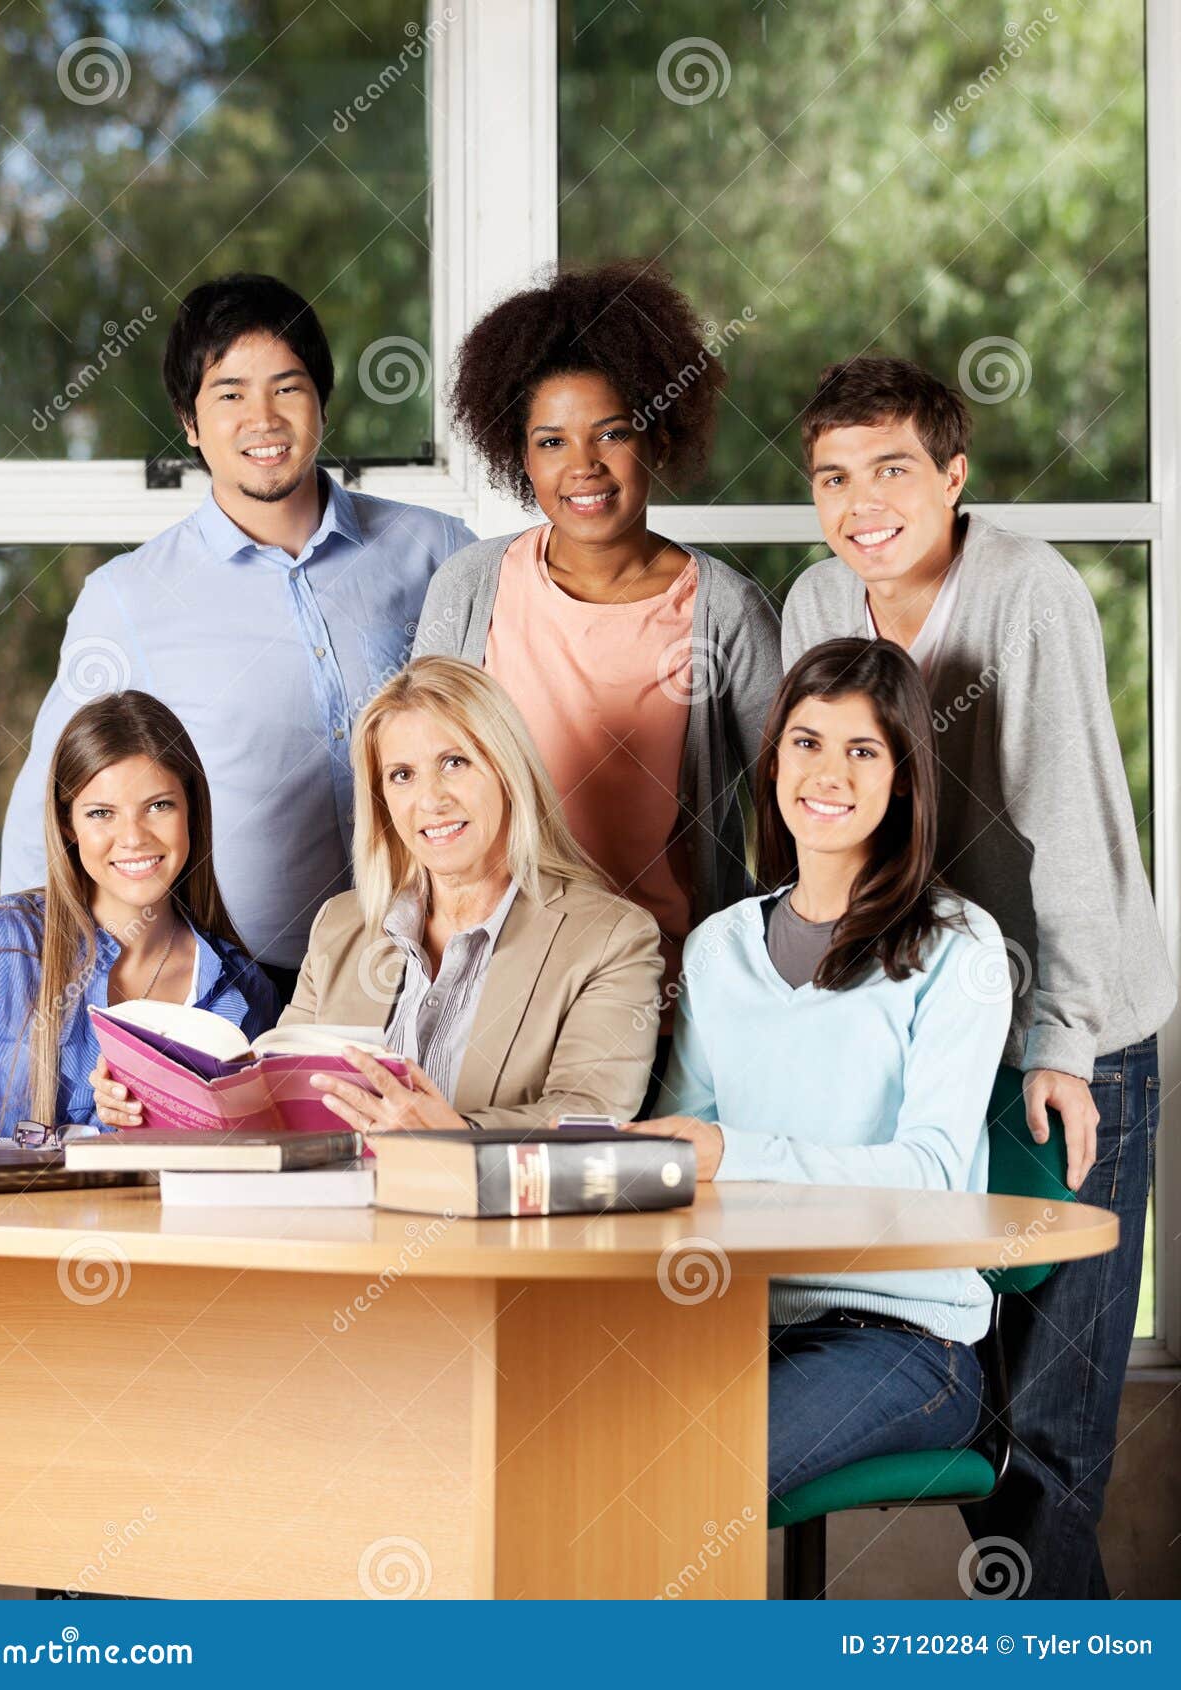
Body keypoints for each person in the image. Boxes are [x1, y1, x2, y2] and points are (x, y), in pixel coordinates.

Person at [779, 356, 1175, 1595]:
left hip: (1076, 1030)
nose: (863, 502)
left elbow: (1068, 827)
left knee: (1048, 1439)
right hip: (931, 1038)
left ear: (955, 474)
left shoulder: (1027, 594)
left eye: (893, 469)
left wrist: (1061, 1043)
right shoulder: (813, 605)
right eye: (833, 477)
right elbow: (828, 828)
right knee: (963, 1395)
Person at [0, 273, 476, 1004]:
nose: (264, 418)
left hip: (442, 959)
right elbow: (49, 810)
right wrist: (37, 1000)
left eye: (287, 388)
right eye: (229, 394)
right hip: (245, 984)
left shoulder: (435, 550)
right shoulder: (127, 597)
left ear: (322, 400)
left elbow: (512, 743)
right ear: (190, 423)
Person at [634, 639, 1012, 1499]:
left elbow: (932, 1176)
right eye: (806, 743)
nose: (827, 773)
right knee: (559, 1443)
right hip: (729, 1316)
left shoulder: (959, 947)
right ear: (773, 763)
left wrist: (734, 1153)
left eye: (863, 750)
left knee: (679, 1472)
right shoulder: (720, 948)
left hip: (905, 1339)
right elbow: (676, 1164)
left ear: (905, 778)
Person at [412, 261, 781, 1087]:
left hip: (666, 1002)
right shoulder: (468, 591)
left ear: (658, 433)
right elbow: (415, 797)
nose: (583, 465)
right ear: (521, 456)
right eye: (551, 441)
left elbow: (791, 819)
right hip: (489, 996)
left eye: (611, 432)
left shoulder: (727, 610)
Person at [98, 658, 662, 1135]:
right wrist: (153, 1100)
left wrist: (452, 1136)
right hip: (335, 1230)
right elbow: (271, 1091)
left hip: (491, 1236)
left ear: (508, 770)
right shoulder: (342, 927)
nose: (430, 800)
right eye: (402, 775)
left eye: (454, 762)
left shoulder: (610, 938)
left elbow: (591, 1118)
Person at [0, 692, 276, 1147]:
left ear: (191, 813)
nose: (133, 838)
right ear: (68, 825)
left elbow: (255, 1157)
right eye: (101, 813)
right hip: (14, 1219)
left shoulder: (242, 990)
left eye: (159, 805)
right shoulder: (1, 942)